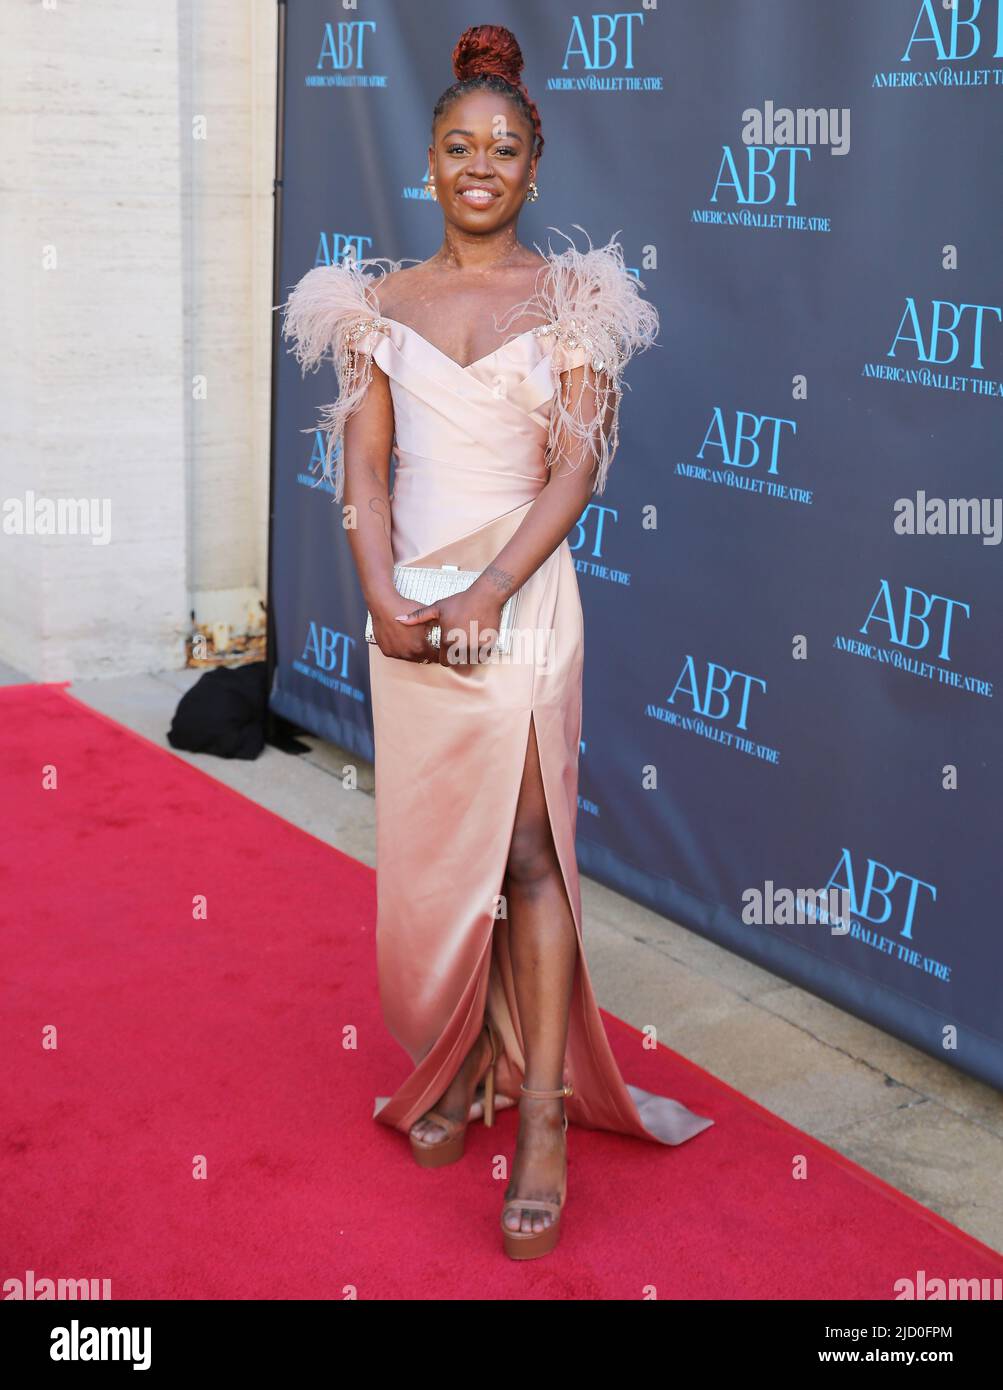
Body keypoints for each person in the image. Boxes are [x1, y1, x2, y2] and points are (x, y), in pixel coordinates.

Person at [280, 23, 713, 1261]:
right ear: (429, 161)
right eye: (459, 144)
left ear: (536, 167)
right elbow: (361, 465)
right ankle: (460, 1061)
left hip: (518, 609)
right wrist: (379, 593)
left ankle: (540, 1126)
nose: (481, 163)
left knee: (523, 850)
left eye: (504, 147)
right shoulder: (369, 305)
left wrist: (490, 591)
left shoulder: (576, 299)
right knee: (439, 855)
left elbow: (574, 464)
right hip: (408, 617)